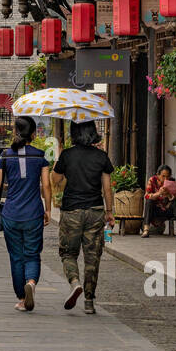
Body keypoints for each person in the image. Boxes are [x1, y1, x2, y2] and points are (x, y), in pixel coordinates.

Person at [51, 121, 115, 315]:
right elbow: (107, 188)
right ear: (93, 132)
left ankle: (74, 282)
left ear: (74, 133)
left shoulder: (68, 155)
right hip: (95, 210)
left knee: (68, 253)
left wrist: (58, 155)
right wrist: (110, 212)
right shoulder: (101, 157)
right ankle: (89, 300)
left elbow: (55, 180)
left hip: (71, 211)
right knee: (92, 256)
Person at [0, 116, 52, 312]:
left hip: (11, 213)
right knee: (32, 253)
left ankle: (21, 297)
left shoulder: (5, 155)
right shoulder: (40, 156)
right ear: (33, 133)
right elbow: (46, 185)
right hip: (34, 212)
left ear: (15, 132)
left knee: (16, 256)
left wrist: (15, 185)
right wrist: (48, 209)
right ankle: (32, 282)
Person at [142, 164, 176, 238]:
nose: (165, 178)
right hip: (156, 210)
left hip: (167, 210)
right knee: (149, 201)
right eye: (163, 176)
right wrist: (159, 193)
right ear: (158, 175)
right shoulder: (152, 180)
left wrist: (168, 194)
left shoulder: (172, 182)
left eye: (167, 176)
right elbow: (146, 195)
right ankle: (146, 230)